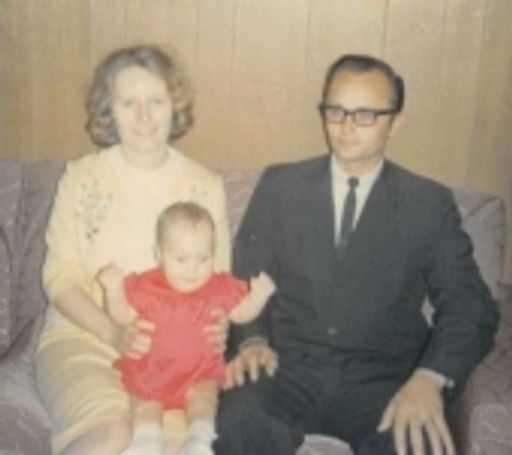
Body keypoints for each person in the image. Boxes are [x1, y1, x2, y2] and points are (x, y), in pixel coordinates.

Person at [215, 54, 499, 455]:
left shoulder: (426, 204)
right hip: (285, 368)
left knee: (417, 445)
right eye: (336, 111)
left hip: (384, 381)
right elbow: (243, 277)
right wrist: (251, 341)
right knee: (235, 425)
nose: (347, 126)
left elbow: (470, 305)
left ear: (395, 123)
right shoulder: (281, 186)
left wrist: (430, 378)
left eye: (365, 114)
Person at [35, 45, 231, 455]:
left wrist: (218, 325)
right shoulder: (81, 178)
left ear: (175, 106)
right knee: (113, 435)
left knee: (177, 445)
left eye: (156, 101)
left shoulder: (204, 186)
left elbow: (217, 285)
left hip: (171, 353)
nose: (144, 116)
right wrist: (112, 333)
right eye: (129, 103)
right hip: (84, 337)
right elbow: (59, 276)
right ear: (109, 109)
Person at [97, 202, 275, 455]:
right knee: (145, 405)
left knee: (206, 400)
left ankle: (199, 442)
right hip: (152, 372)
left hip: (199, 373)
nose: (193, 269)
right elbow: (123, 317)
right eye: (181, 259)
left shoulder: (219, 287)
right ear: (159, 254)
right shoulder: (147, 286)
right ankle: (145, 443)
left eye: (203, 259)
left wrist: (258, 297)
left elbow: (241, 314)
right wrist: (113, 291)